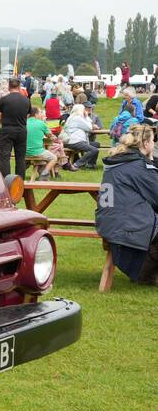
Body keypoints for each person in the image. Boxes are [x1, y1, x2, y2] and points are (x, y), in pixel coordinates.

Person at [96, 124, 158, 284]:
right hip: (125, 229)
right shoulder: (138, 166)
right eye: (153, 141)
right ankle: (145, 272)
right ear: (145, 144)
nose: (154, 144)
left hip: (107, 224)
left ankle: (147, 273)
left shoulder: (117, 162)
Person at [0, 81, 31, 177]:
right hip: (22, 130)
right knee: (20, 158)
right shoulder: (26, 100)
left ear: (9, 87)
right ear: (19, 87)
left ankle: (6, 182)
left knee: (5, 157)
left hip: (7, 130)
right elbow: (27, 115)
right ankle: (20, 182)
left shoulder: (3, 100)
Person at [62, 104, 100, 170]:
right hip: (75, 141)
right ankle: (76, 165)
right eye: (84, 110)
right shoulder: (77, 118)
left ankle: (91, 164)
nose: (85, 111)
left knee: (96, 144)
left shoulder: (72, 117)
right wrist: (87, 116)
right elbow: (89, 128)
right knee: (94, 150)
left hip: (71, 141)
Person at [26, 106, 59, 178]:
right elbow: (51, 136)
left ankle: (20, 174)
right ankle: (44, 174)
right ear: (36, 114)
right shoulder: (41, 123)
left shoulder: (24, 122)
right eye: (41, 112)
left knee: (39, 161)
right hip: (37, 151)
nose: (42, 114)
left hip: (24, 152)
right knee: (54, 158)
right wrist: (56, 138)